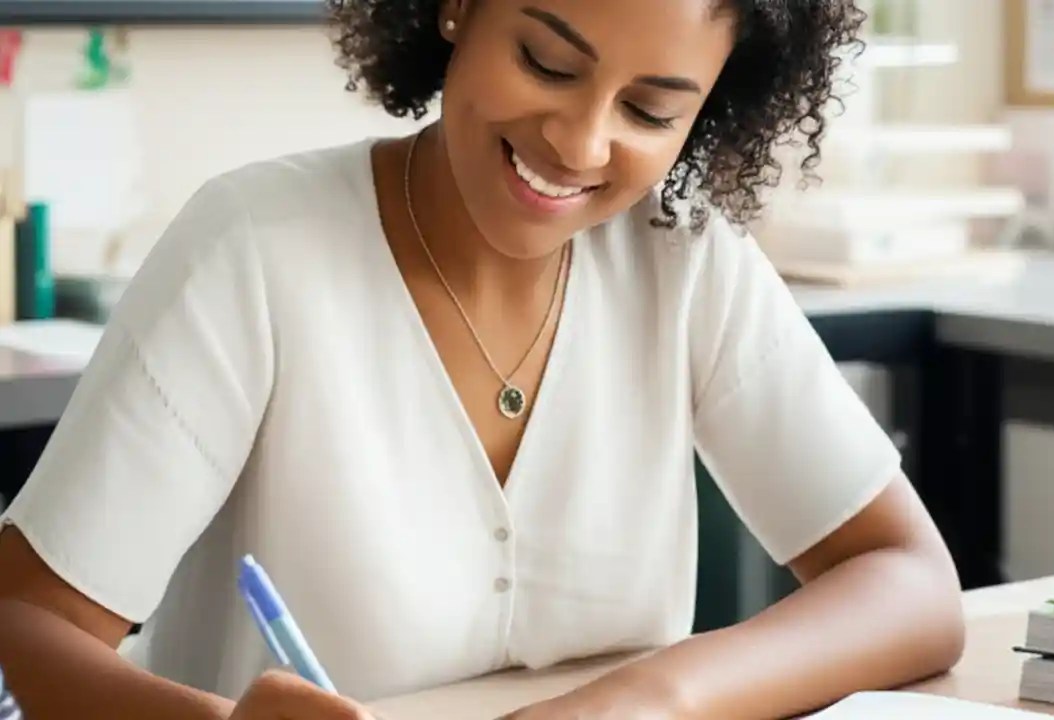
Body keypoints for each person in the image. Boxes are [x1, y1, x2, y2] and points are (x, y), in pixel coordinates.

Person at [0, 0, 965, 717]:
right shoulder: (253, 247)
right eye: (547, 62)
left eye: (652, 112)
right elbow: (26, 625)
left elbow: (912, 585)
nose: (581, 142)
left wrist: (654, 699)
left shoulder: (685, 255)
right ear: (459, 6)